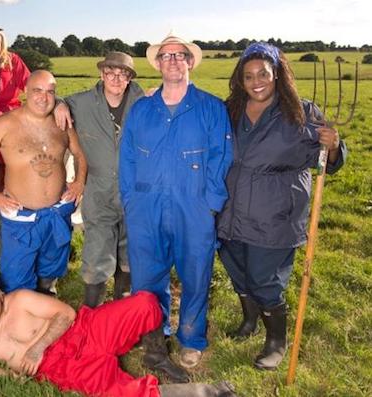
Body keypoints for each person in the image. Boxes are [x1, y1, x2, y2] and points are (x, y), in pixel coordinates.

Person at [216, 42, 346, 370]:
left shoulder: (300, 113)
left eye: (263, 73)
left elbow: (329, 162)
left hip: (274, 212)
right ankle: (249, 320)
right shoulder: (230, 111)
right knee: (237, 270)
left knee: (264, 278)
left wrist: (333, 147)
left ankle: (276, 340)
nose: (256, 81)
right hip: (231, 209)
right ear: (240, 80)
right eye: (248, 76)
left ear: (277, 75)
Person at [119, 34, 233, 368]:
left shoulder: (211, 107)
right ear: (157, 63)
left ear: (190, 61)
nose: (172, 60)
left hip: (193, 207)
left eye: (179, 54)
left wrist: (210, 203)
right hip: (146, 206)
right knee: (147, 276)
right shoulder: (142, 109)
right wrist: (131, 199)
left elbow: (221, 156)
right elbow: (126, 157)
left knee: (196, 273)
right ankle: (155, 334)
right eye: (165, 55)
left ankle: (191, 338)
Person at [0, 270, 238, 397]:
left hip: (80, 330)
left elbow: (67, 315)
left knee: (144, 304)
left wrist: (38, 346)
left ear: (1, 294)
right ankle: (206, 393)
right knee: (115, 392)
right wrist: (6, 375)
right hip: (60, 365)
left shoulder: (19, 300)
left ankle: (153, 353)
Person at [0, 70, 87, 295]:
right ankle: (17, 320)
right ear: (25, 92)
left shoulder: (62, 123)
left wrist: (79, 182)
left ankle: (47, 302)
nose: (44, 97)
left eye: (50, 92)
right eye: (37, 91)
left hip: (56, 214)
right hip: (20, 218)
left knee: (50, 271)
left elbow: (79, 154)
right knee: (15, 279)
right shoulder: (5, 124)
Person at [53, 52, 144, 308]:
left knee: (130, 252)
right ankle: (91, 313)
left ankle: (120, 310)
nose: (115, 78)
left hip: (134, 191)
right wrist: (59, 102)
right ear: (101, 74)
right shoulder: (82, 102)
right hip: (99, 190)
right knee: (97, 251)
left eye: (122, 74)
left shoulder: (143, 101)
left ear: (129, 78)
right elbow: (52, 101)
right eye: (110, 73)